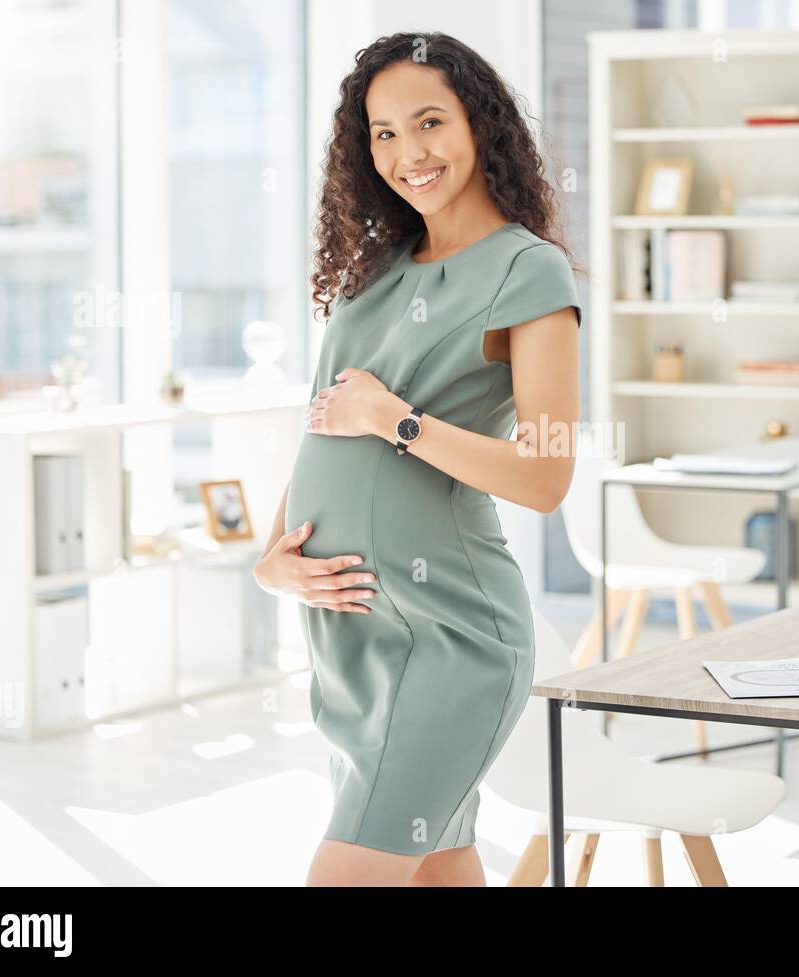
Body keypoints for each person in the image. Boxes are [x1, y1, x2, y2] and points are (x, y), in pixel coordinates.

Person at [252, 30, 582, 886]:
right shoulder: (376, 270)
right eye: (383, 133)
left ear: (480, 125)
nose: (408, 153)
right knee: (439, 866)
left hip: (452, 641)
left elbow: (546, 476)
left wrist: (397, 421)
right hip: (353, 642)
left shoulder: (529, 272)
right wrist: (271, 559)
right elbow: (326, 423)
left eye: (429, 122)